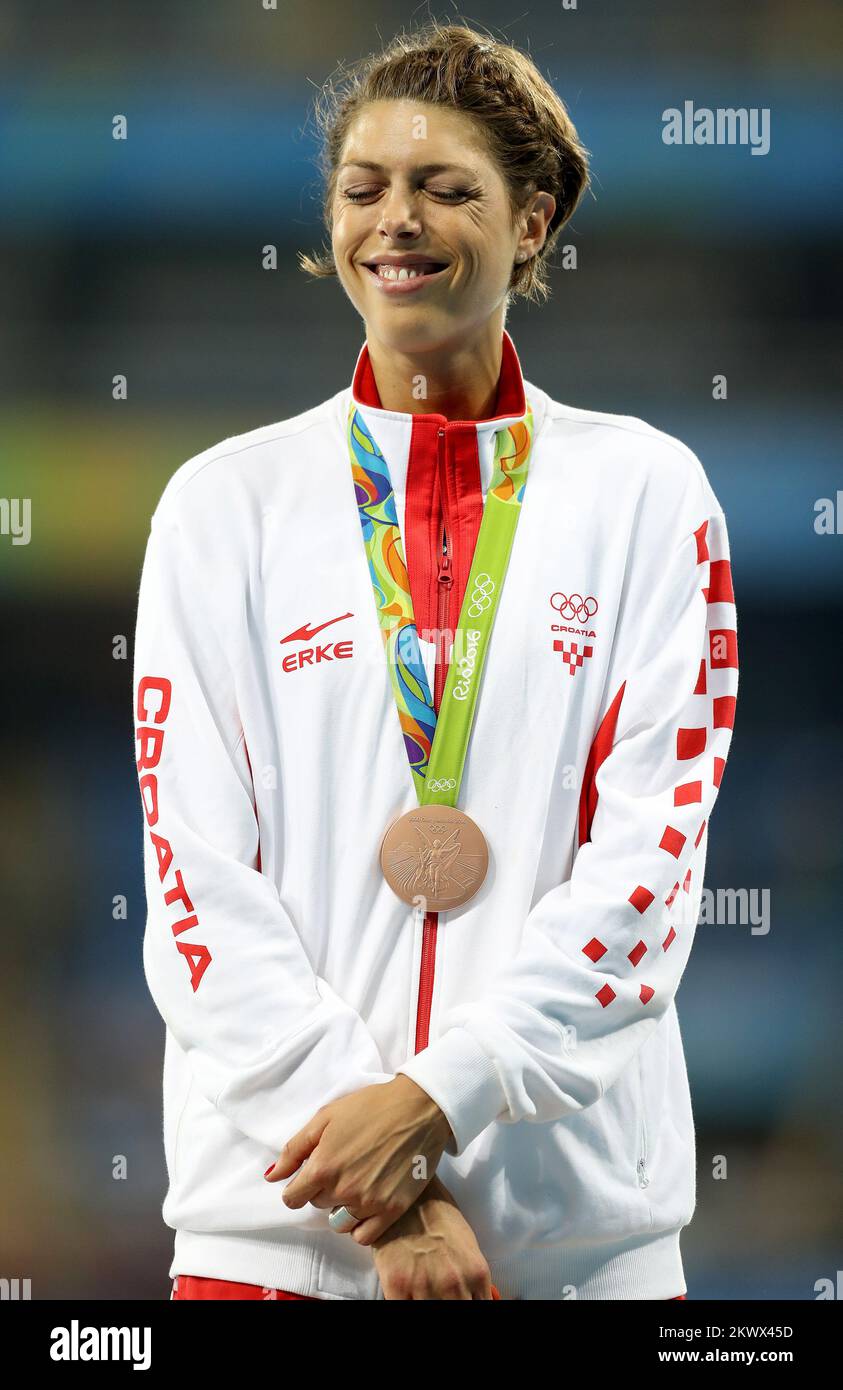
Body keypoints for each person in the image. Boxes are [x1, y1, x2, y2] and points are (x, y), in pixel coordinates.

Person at [133, 21, 738, 1301]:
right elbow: (193, 893)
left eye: (443, 189)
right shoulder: (224, 505)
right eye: (365, 189)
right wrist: (387, 1188)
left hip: (579, 1256)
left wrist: (437, 1101)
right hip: (280, 1245)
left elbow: (650, 874)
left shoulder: (643, 494)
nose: (393, 222)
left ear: (533, 219)